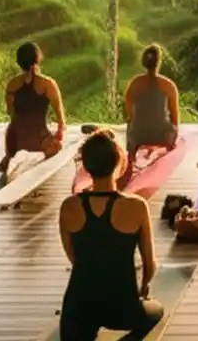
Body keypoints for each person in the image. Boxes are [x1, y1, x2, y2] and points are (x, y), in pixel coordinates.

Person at [58, 129, 163, 341]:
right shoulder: (136, 206)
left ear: (86, 166)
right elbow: (149, 266)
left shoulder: (68, 207)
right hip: (122, 309)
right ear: (118, 163)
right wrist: (143, 289)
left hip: (78, 311)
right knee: (156, 310)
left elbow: (75, 258)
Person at [0, 42, 66, 174]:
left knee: (13, 129)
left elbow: (10, 112)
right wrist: (58, 132)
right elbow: (60, 118)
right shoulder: (48, 84)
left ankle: (10, 156)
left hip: (16, 141)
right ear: (38, 59)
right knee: (59, 145)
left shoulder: (12, 85)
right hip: (39, 141)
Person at [124, 44, 180, 155]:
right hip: (163, 137)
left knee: (130, 126)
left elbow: (129, 113)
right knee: (173, 129)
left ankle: (131, 154)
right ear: (159, 62)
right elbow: (175, 117)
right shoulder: (169, 85)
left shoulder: (134, 83)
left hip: (138, 136)